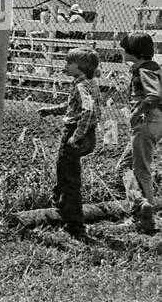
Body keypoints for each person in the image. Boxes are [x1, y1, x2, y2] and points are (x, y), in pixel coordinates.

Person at [37, 47, 101, 238]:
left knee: (69, 176)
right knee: (64, 170)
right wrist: (51, 110)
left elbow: (88, 111)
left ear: (80, 67)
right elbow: (72, 106)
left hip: (76, 133)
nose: (65, 66)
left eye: (69, 63)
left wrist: (77, 135)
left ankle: (75, 225)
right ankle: (61, 205)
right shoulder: (89, 83)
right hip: (86, 133)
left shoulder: (81, 86)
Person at [116, 32, 162, 234]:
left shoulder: (146, 69)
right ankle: (141, 207)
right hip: (151, 122)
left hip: (146, 121)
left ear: (134, 52)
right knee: (124, 166)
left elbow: (154, 95)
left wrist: (136, 112)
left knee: (140, 170)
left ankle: (144, 215)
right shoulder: (149, 68)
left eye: (125, 48)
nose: (122, 51)